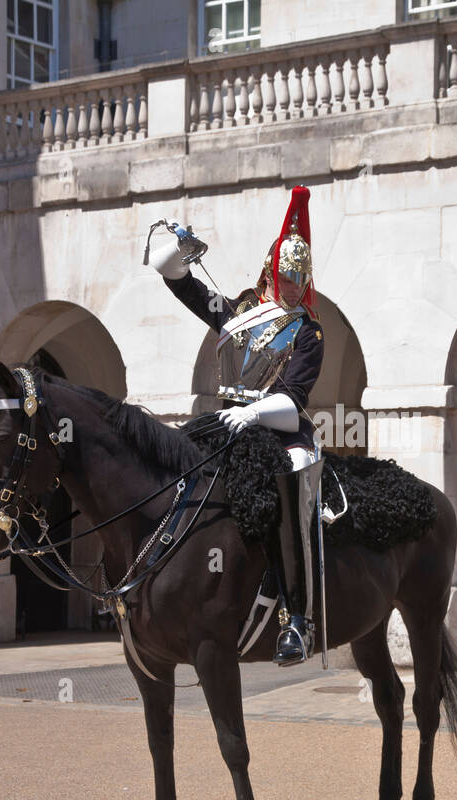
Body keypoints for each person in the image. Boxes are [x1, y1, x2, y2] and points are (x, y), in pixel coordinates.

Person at [146, 185, 325, 666]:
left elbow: (294, 402)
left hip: (282, 434)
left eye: (299, 279)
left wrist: (253, 412)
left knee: (289, 483)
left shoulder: (308, 332)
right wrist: (181, 248)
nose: (291, 286)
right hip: (228, 424)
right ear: (270, 270)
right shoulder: (237, 316)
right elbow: (171, 273)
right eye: (286, 276)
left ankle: (297, 619)